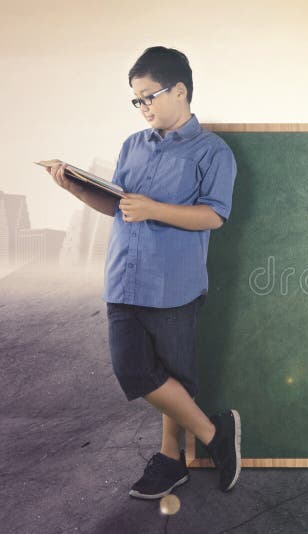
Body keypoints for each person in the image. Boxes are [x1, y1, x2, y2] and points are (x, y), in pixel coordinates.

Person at [44, 46, 240, 500]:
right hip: (123, 279)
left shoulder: (212, 151)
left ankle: (172, 462)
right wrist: (74, 187)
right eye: (136, 100)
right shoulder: (132, 145)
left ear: (180, 90)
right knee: (132, 371)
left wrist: (153, 208)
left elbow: (214, 216)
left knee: (176, 379)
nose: (143, 107)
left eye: (148, 96)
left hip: (174, 284)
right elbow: (118, 208)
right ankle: (216, 435)